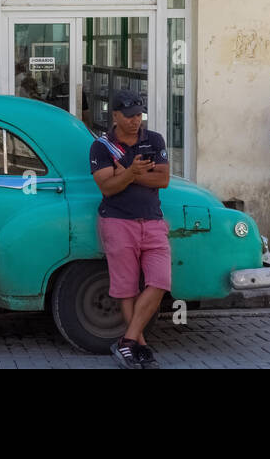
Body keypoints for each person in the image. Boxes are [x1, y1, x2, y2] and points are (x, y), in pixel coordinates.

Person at [89, 89, 171, 369]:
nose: (136, 121)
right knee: (126, 287)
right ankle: (140, 346)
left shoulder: (154, 139)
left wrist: (127, 174)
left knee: (160, 281)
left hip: (153, 220)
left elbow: (163, 180)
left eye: (139, 115)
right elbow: (107, 187)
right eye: (129, 116)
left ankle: (127, 341)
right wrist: (132, 173)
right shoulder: (101, 146)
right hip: (117, 221)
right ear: (114, 115)